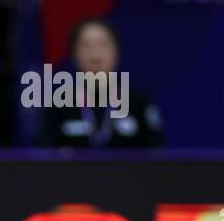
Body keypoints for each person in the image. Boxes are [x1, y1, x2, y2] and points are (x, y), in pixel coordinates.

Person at [42, 18, 164, 148]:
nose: (95, 55)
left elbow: (157, 151)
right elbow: (44, 153)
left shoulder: (139, 101)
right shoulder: (58, 103)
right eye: (86, 46)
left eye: (103, 44)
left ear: (116, 52)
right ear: (73, 55)